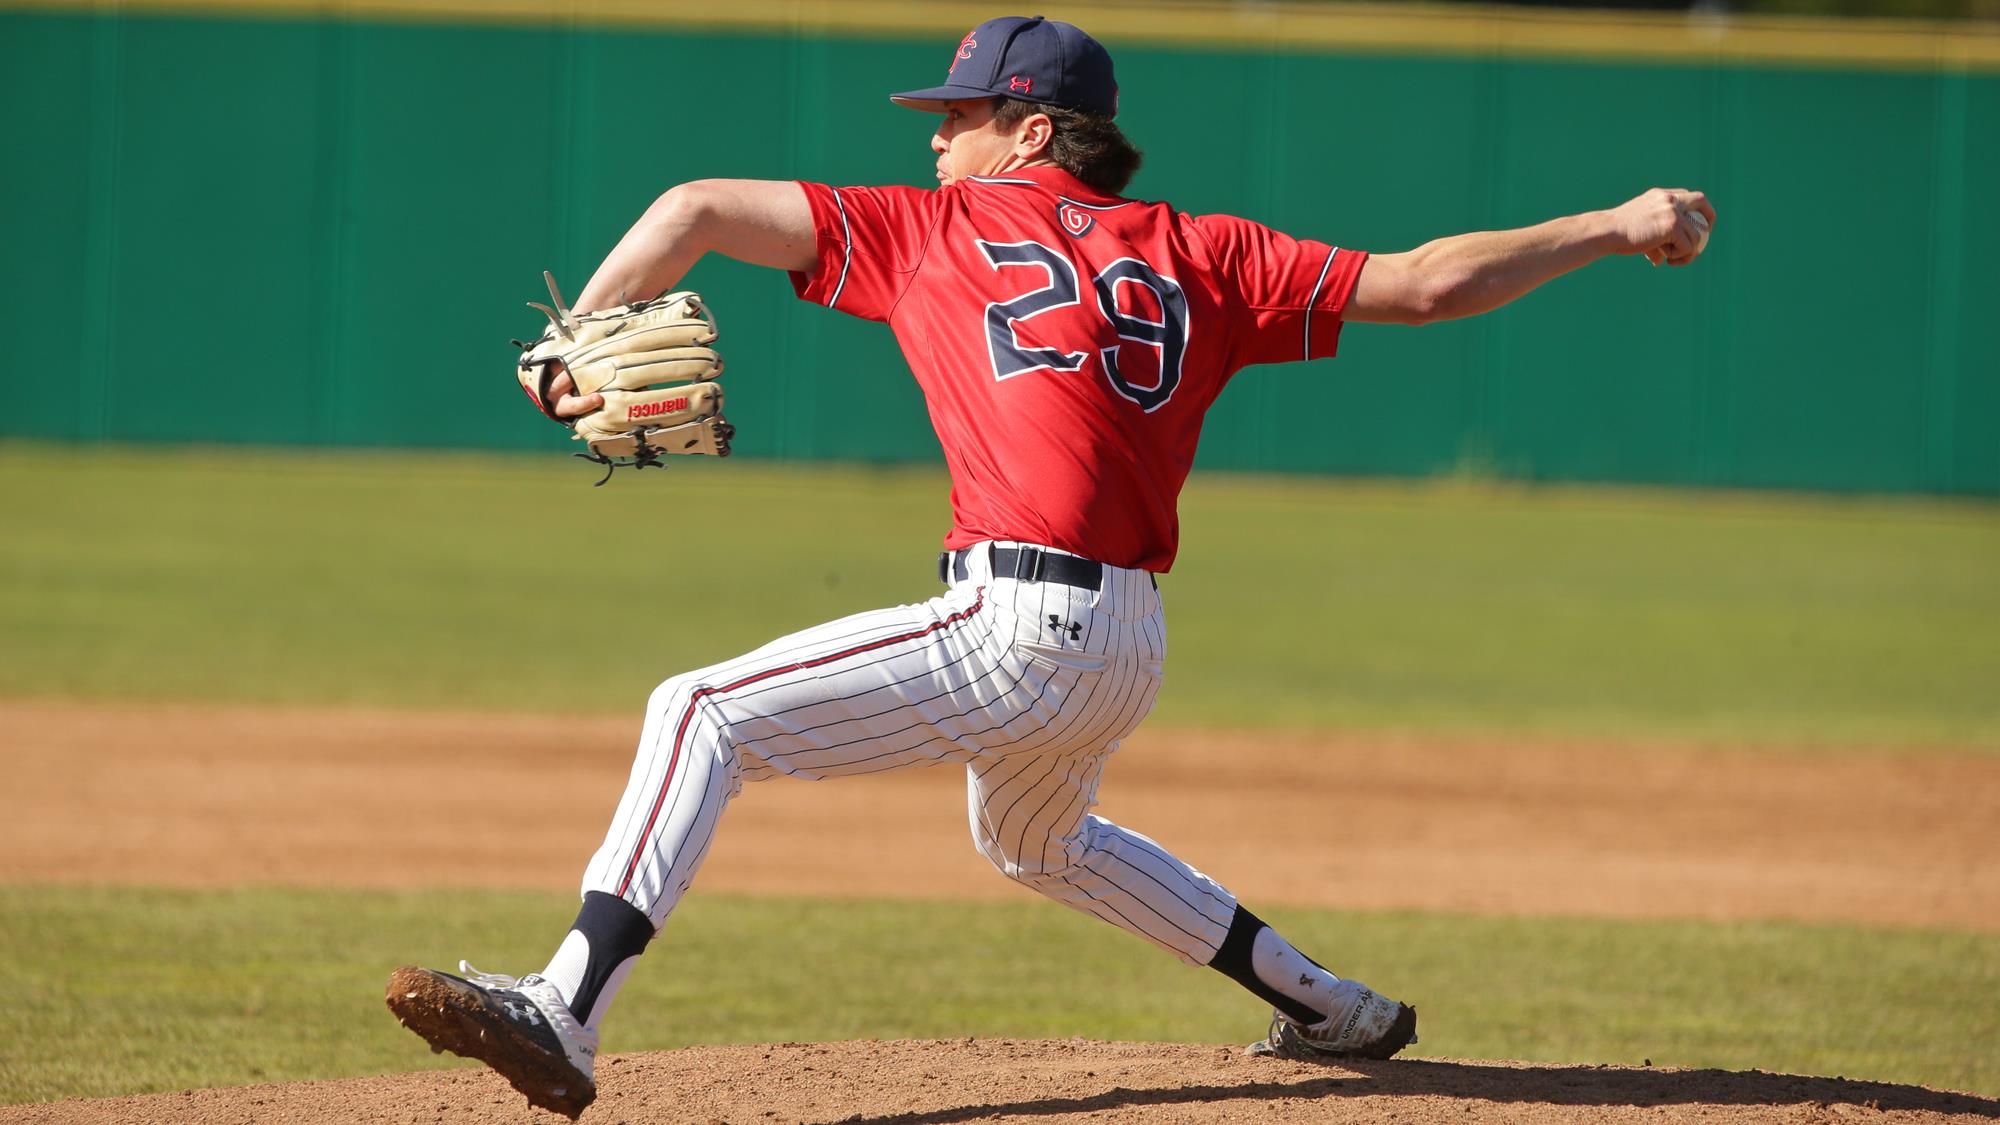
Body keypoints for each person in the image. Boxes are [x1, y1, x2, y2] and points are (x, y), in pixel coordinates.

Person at [385, 15, 1715, 1118]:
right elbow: (1430, 281)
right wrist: (1616, 218)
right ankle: (1333, 1005)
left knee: (699, 710)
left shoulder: (933, 228)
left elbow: (692, 207)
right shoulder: (1208, 251)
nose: (934, 133)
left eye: (960, 112)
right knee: (1033, 839)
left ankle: (563, 1009)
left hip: (1014, 623)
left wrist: (582, 332)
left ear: (1032, 130)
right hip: (1127, 640)